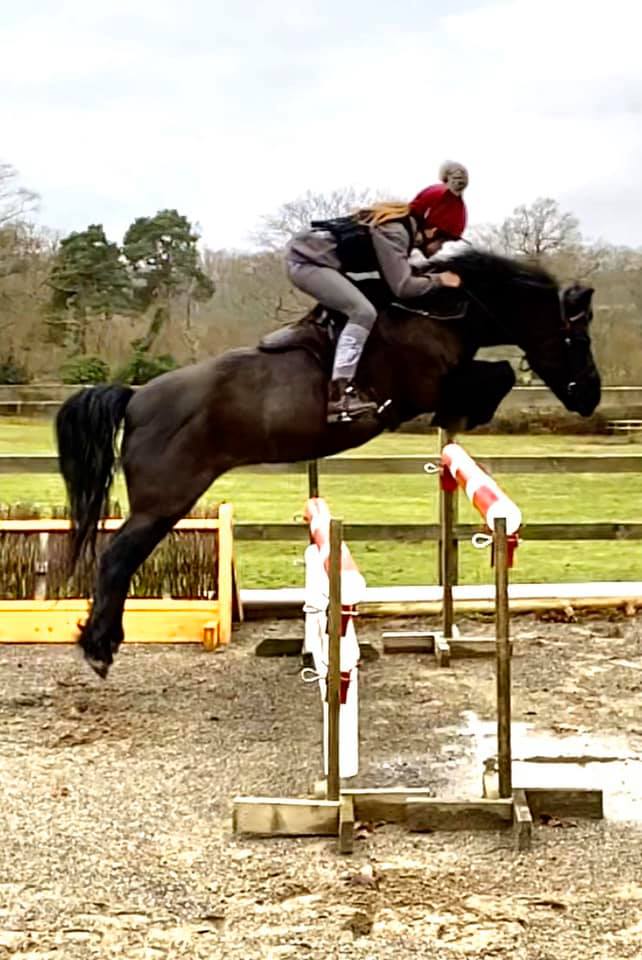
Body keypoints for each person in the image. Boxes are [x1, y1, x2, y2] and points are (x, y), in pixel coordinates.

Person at [285, 162, 469, 423]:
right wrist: (439, 280)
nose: (440, 248)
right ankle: (340, 395)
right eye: (444, 240)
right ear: (431, 229)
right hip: (307, 263)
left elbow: (400, 273)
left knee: (367, 301)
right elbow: (403, 287)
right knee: (362, 311)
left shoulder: (401, 228)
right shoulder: (395, 232)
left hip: (321, 261)